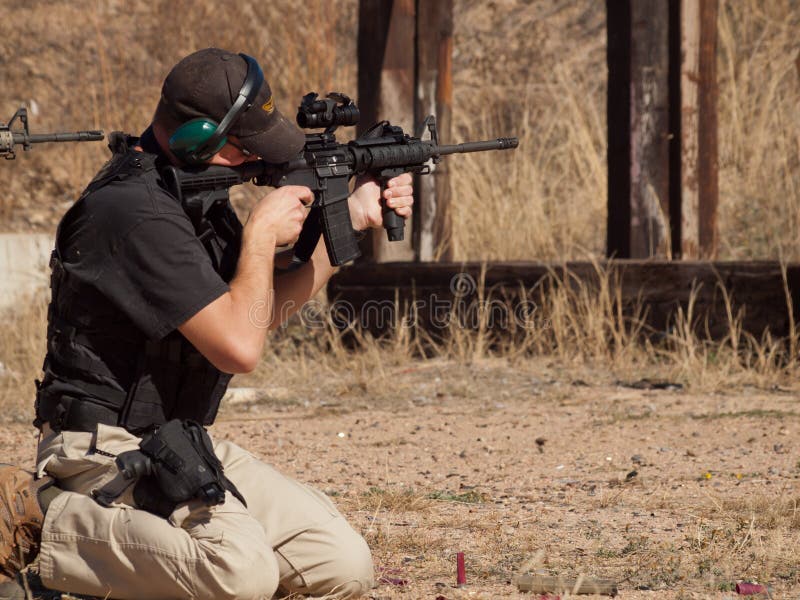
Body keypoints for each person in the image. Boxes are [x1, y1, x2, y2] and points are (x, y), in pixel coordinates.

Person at [0, 48, 413, 600]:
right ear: (198, 140)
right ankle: (41, 524)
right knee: (241, 575)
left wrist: (352, 220)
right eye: (246, 151)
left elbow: (260, 312)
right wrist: (262, 235)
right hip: (96, 449)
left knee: (342, 563)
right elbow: (239, 349)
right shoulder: (133, 212)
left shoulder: (197, 202)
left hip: (177, 441)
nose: (254, 166)